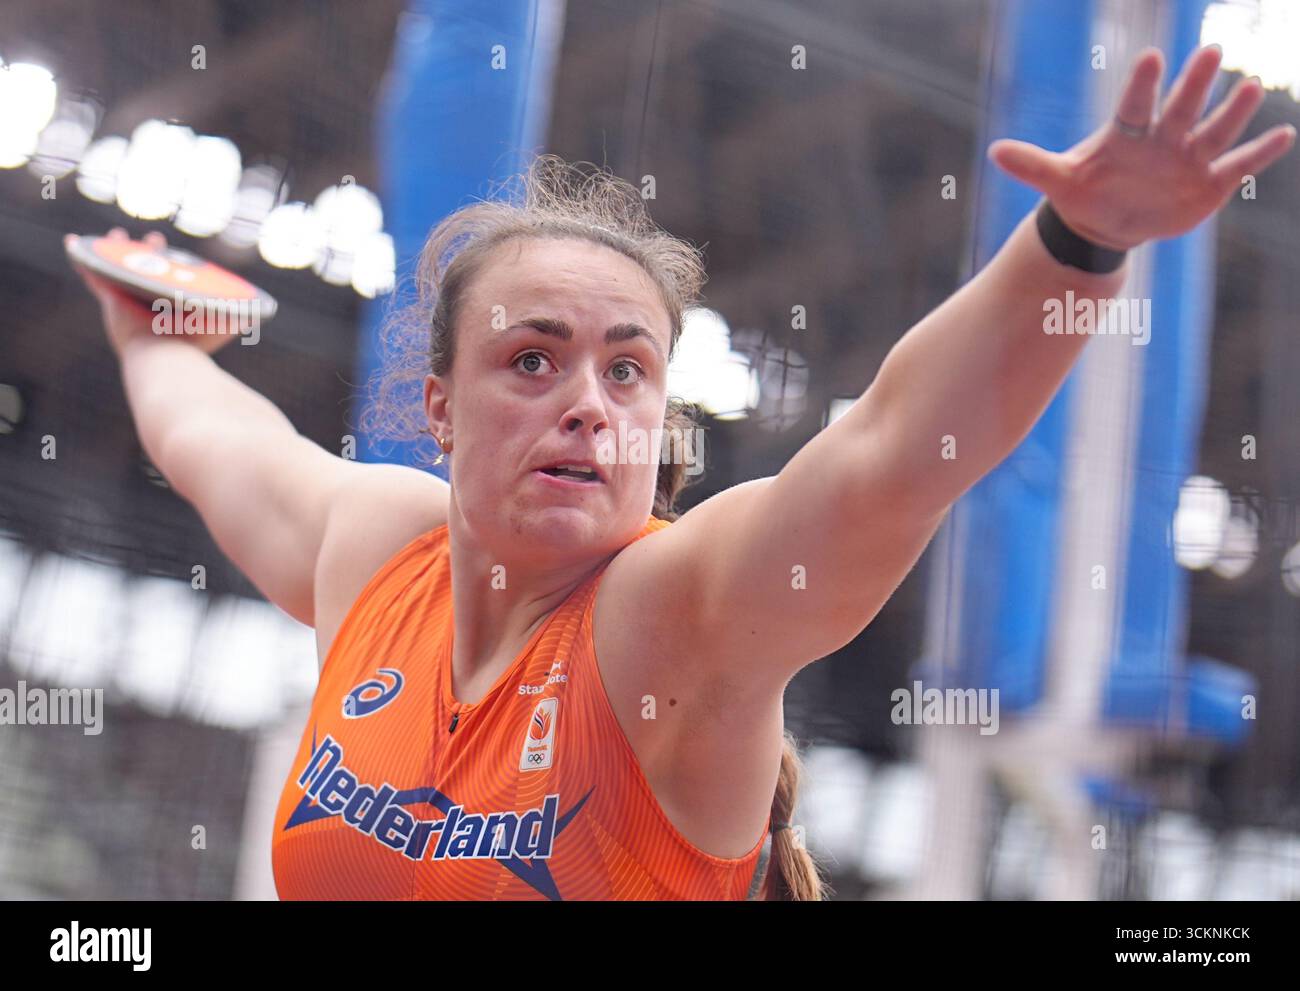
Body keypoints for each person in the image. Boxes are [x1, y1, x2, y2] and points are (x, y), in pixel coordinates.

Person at [69, 44, 1294, 900]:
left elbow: (889, 450)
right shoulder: (380, 554)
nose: (586, 408)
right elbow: (216, 443)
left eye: (627, 371)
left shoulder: (675, 617)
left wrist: (1079, 242)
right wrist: (150, 327)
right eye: (532, 360)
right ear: (437, 409)